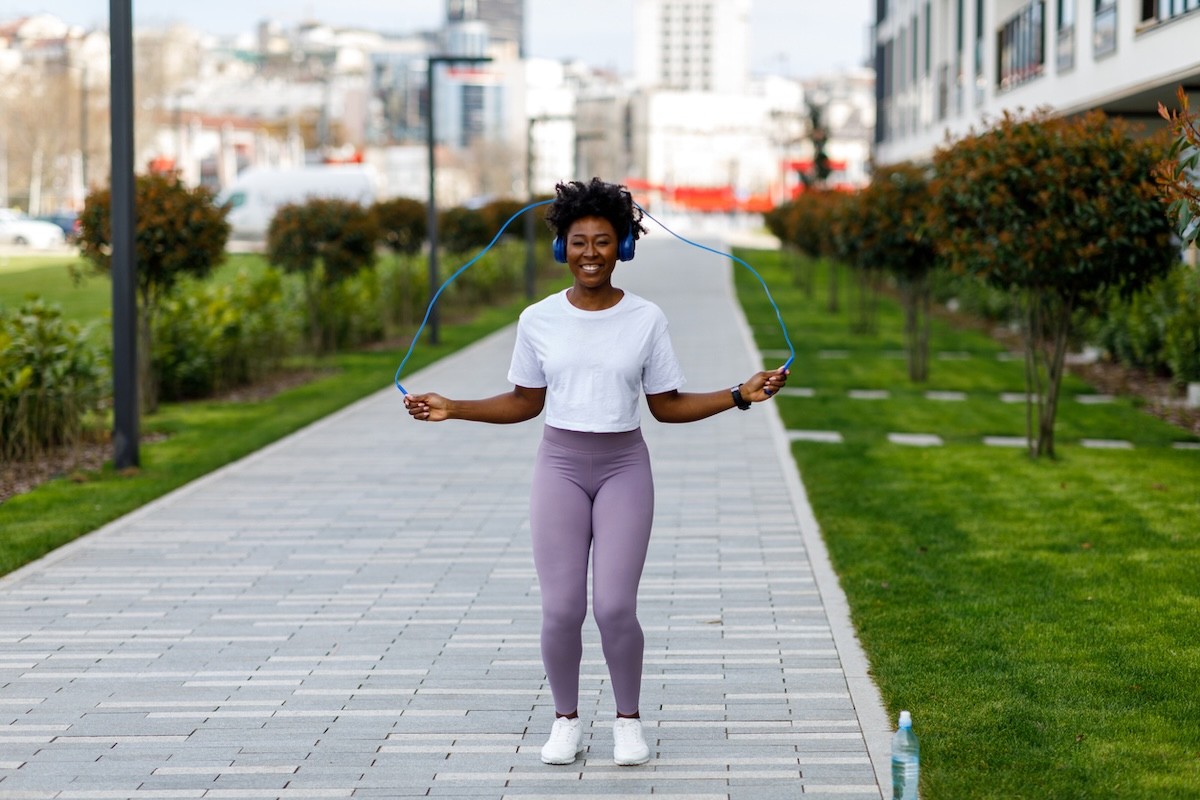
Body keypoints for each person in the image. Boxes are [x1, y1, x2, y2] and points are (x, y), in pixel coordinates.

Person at [403, 178, 788, 767]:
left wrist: (740, 393)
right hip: (558, 466)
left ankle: (628, 723)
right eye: (578, 241)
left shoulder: (646, 319)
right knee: (561, 609)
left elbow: (667, 406)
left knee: (613, 606)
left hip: (623, 467)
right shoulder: (537, 320)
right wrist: (454, 407)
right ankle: (565, 722)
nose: (590, 252)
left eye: (603, 241)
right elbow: (524, 402)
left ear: (623, 248)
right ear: (561, 247)